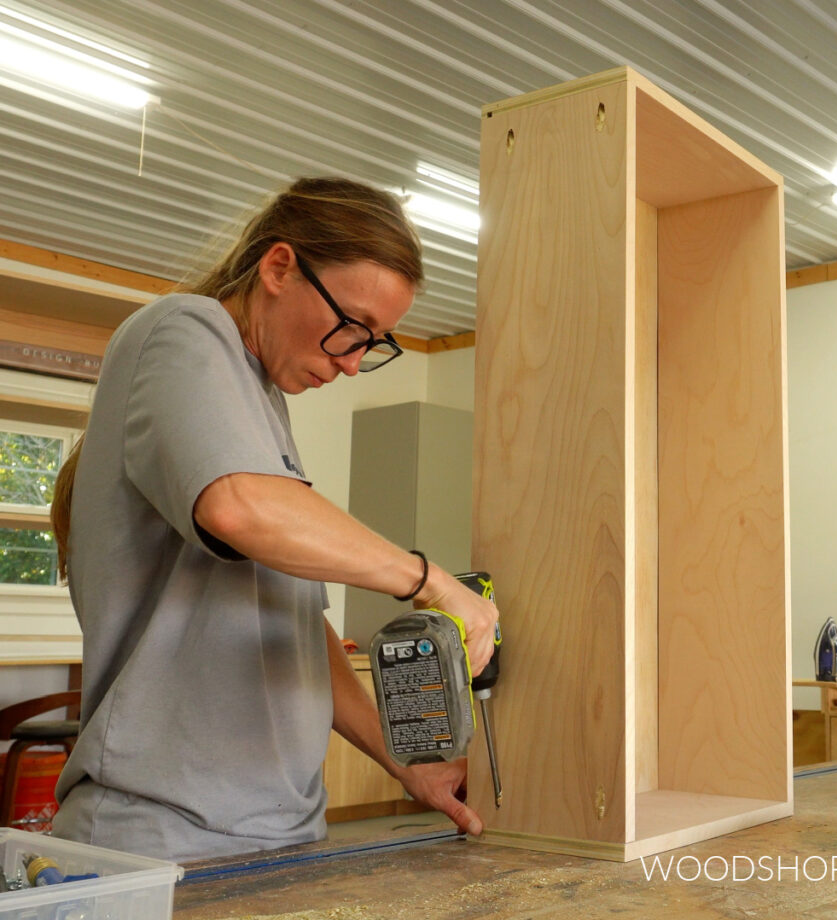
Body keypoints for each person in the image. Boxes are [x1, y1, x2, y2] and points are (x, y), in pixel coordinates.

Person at [48, 176, 499, 862]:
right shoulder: (181, 329)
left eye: (374, 342)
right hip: (163, 828)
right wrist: (429, 580)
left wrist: (407, 765)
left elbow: (297, 633)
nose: (354, 362)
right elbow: (237, 506)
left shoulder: (260, 404)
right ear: (280, 268)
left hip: (279, 829)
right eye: (351, 326)